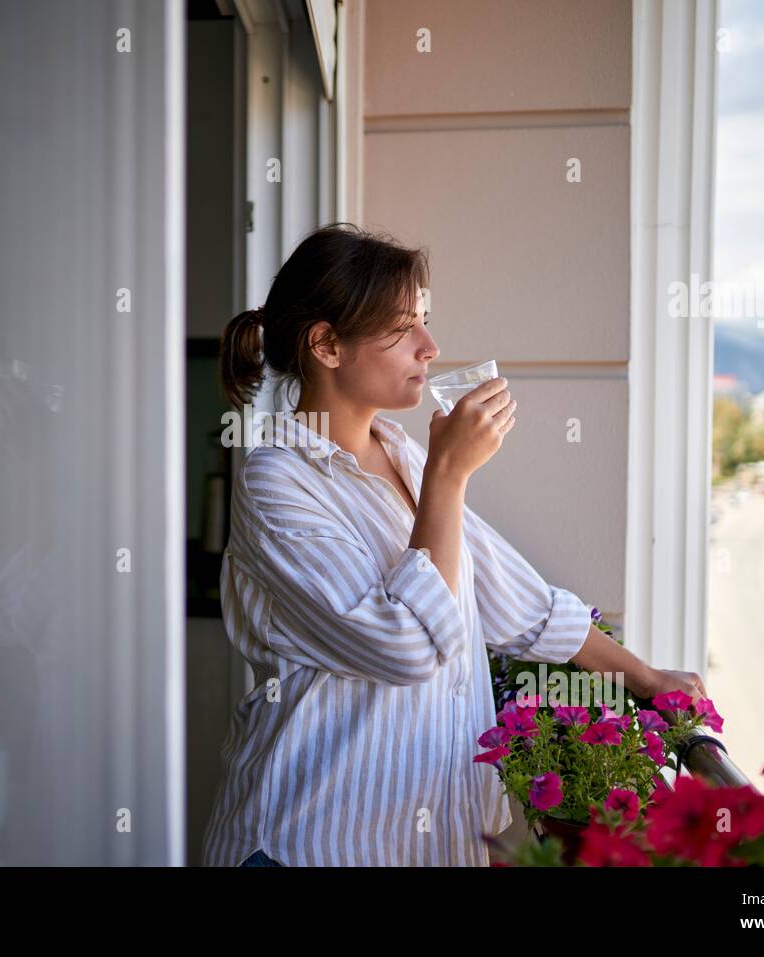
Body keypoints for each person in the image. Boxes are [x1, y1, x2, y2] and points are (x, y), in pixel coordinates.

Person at [202, 223, 706, 867]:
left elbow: (517, 602)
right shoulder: (278, 479)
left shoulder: (403, 454)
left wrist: (648, 679)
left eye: (426, 321)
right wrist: (451, 474)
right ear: (326, 344)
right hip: (315, 842)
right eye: (403, 327)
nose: (430, 347)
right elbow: (406, 645)